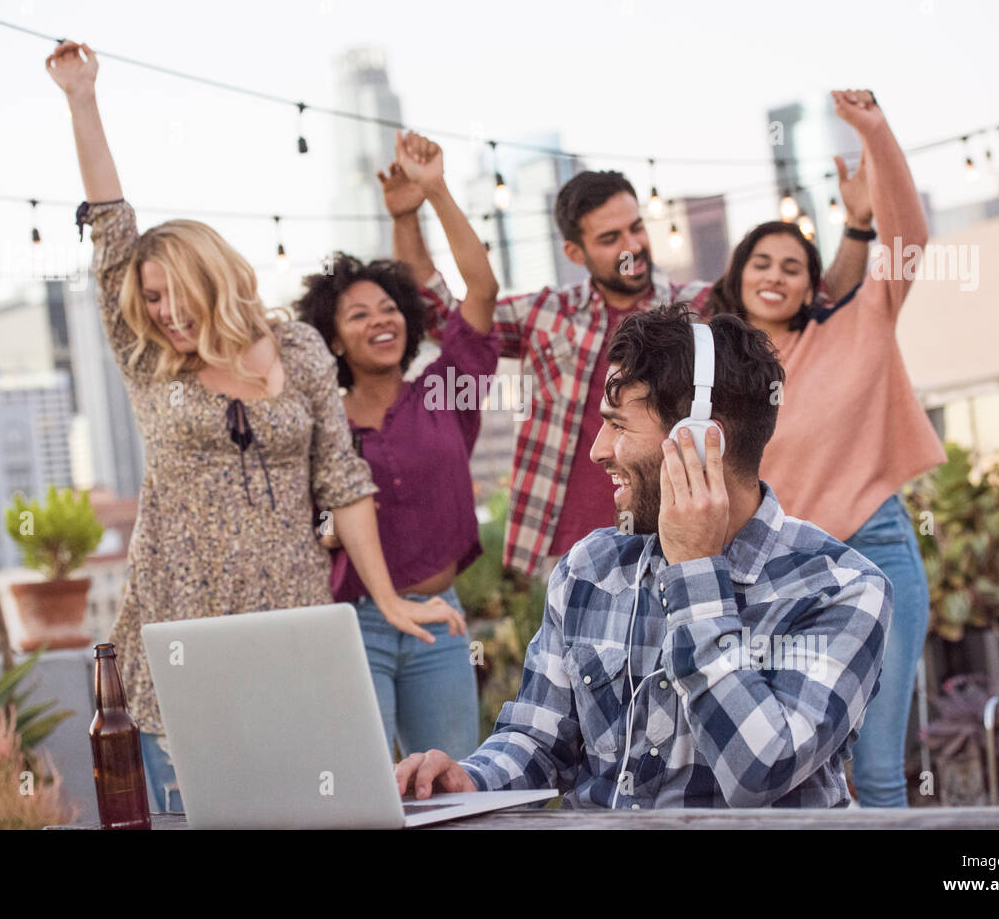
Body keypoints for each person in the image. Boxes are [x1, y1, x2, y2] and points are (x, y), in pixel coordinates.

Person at [44, 40, 464, 813]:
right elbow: (111, 227)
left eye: (175, 292)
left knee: (310, 803)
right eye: (152, 296)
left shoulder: (299, 347)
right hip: (180, 620)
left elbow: (343, 479)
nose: (164, 311)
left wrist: (391, 600)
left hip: (293, 612)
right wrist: (82, 99)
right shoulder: (147, 359)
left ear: (213, 278)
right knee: (201, 810)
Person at [394, 305, 892, 808]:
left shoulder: (840, 588)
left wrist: (696, 574)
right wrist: (471, 781)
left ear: (700, 440)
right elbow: (540, 742)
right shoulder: (590, 568)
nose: (598, 450)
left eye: (618, 426)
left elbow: (761, 771)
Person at [389, 164, 874, 585]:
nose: (633, 246)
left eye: (636, 228)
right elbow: (442, 318)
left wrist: (856, 226)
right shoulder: (546, 314)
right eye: (609, 238)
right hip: (569, 551)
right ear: (575, 253)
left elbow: (812, 299)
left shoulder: (703, 311)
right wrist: (408, 214)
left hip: (682, 534)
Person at [694, 89, 946, 807]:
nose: (775, 274)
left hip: (878, 550)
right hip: (775, 575)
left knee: (875, 772)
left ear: (814, 284)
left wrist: (875, 130)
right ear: (738, 276)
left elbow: (908, 243)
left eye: (792, 266)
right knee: (792, 772)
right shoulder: (713, 373)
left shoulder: (858, 321)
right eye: (761, 263)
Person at [294, 131, 497, 758]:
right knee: (366, 796)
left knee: (454, 782)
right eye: (357, 315)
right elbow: (308, 520)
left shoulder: (443, 394)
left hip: (439, 617)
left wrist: (432, 192)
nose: (379, 319)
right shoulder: (318, 422)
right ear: (331, 341)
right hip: (354, 623)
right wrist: (330, 525)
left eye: (388, 308)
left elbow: (481, 292)